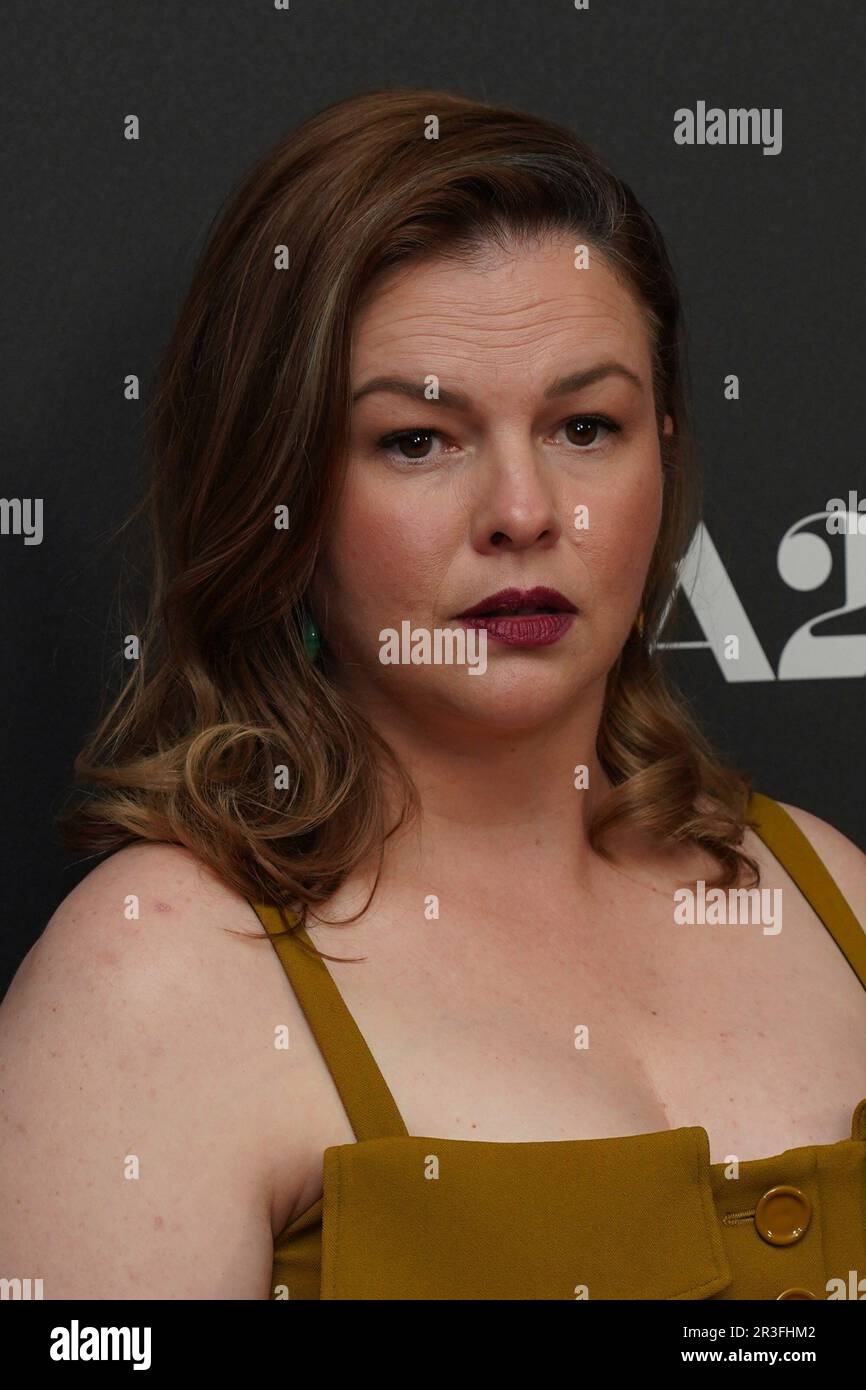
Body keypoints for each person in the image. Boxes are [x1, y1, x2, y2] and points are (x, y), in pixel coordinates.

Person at [1, 88, 864, 1301]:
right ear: (278, 491)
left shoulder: (822, 890)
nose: (523, 510)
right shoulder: (153, 977)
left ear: (662, 451)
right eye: (417, 438)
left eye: (582, 424)